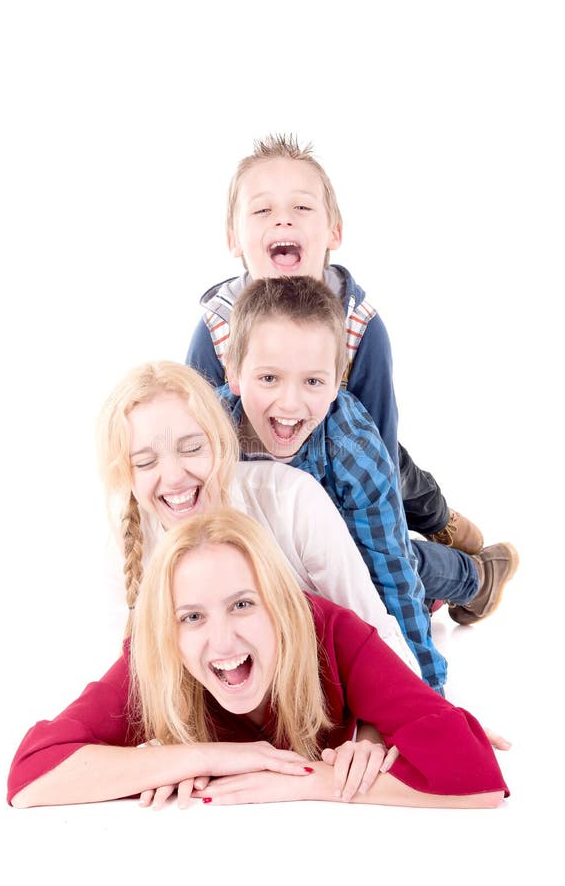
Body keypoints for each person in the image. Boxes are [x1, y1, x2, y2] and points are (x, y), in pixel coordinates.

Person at [8, 508, 508, 810]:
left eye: (243, 605)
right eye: (192, 617)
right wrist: (201, 757)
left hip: (382, 584)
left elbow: (481, 780)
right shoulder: (154, 655)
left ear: (281, 605)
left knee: (410, 588)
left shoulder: (334, 633)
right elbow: (30, 774)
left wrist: (316, 782)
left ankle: (464, 576)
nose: (222, 641)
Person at [186, 133, 483, 556]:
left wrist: (375, 534)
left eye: (302, 208)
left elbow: (379, 449)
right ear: (234, 238)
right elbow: (196, 437)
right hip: (266, 457)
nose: (283, 220)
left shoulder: (359, 325)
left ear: (334, 231)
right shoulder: (217, 329)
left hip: (353, 455)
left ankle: (441, 523)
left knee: (397, 487)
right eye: (263, 210)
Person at [219, 276, 519, 693]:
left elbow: (391, 573)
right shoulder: (208, 432)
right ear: (235, 374)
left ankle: (478, 577)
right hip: (287, 564)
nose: (289, 402)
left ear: (337, 381)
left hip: (361, 553)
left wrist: (425, 697)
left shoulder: (352, 450)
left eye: (312, 381)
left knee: (396, 565)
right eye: (269, 378)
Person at [97, 359, 418, 672]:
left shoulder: (293, 500)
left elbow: (380, 644)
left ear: (220, 444)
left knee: (422, 565)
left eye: (192, 448)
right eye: (145, 462)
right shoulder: (125, 543)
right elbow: (124, 680)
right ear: (125, 475)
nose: (173, 477)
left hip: (324, 688)